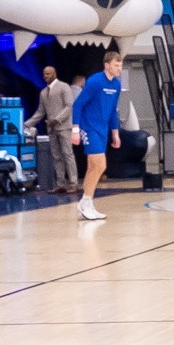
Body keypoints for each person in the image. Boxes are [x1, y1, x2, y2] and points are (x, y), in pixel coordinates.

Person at [71, 49, 124, 220]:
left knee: (93, 167)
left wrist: (115, 133)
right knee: (100, 165)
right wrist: (75, 129)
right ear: (107, 65)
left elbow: (113, 111)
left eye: (120, 65)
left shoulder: (116, 85)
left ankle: (86, 203)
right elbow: (77, 104)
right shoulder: (95, 81)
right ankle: (85, 201)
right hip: (89, 127)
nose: (119, 68)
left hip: (102, 129)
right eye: (116, 65)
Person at [33, 66, 78, 194]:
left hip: (64, 127)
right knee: (56, 156)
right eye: (44, 74)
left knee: (67, 154)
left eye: (48, 73)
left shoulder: (64, 87)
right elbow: (40, 112)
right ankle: (60, 183)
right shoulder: (43, 92)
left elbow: (69, 106)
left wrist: (57, 119)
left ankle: (73, 183)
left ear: (54, 74)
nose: (46, 76)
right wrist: (25, 124)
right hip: (51, 129)